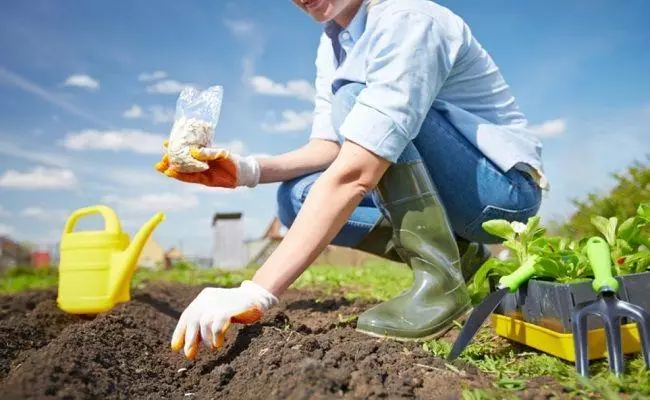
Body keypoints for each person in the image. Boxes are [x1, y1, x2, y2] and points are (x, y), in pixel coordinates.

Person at [155, 0, 547, 360]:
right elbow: (329, 144)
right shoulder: (334, 42)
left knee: (353, 101)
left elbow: (358, 168)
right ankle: (462, 259)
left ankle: (439, 283)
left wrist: (257, 290)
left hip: (500, 195)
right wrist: (246, 171)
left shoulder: (409, 19)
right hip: (449, 185)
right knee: (296, 197)